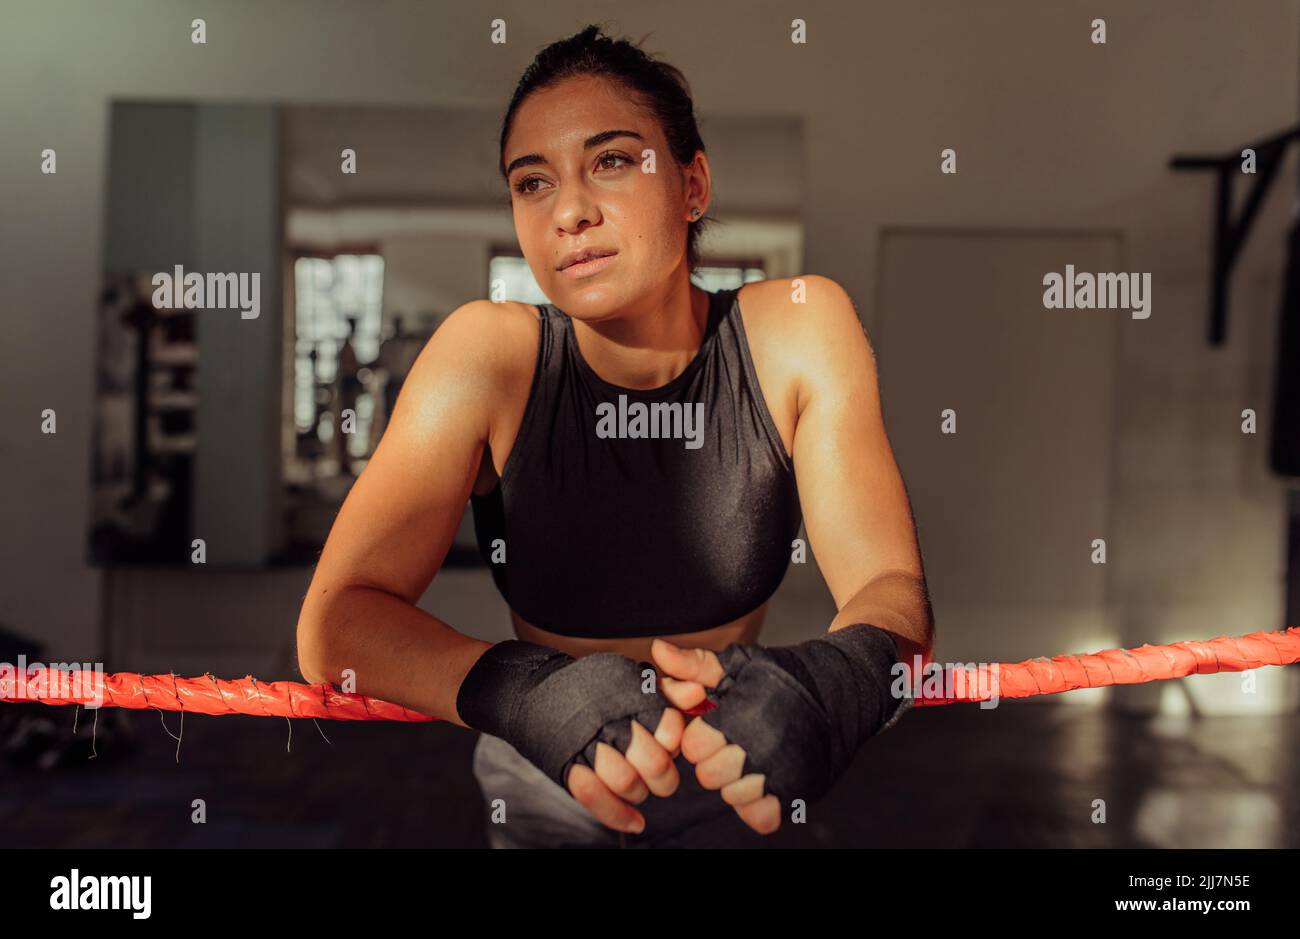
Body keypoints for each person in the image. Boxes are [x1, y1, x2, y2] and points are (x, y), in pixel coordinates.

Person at [296, 24, 934, 848]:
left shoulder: (799, 332)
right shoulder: (488, 354)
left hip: (739, 762)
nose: (569, 211)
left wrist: (825, 682)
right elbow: (334, 623)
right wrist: (524, 692)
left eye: (612, 160)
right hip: (549, 774)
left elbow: (892, 585)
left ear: (692, 184)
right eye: (533, 182)